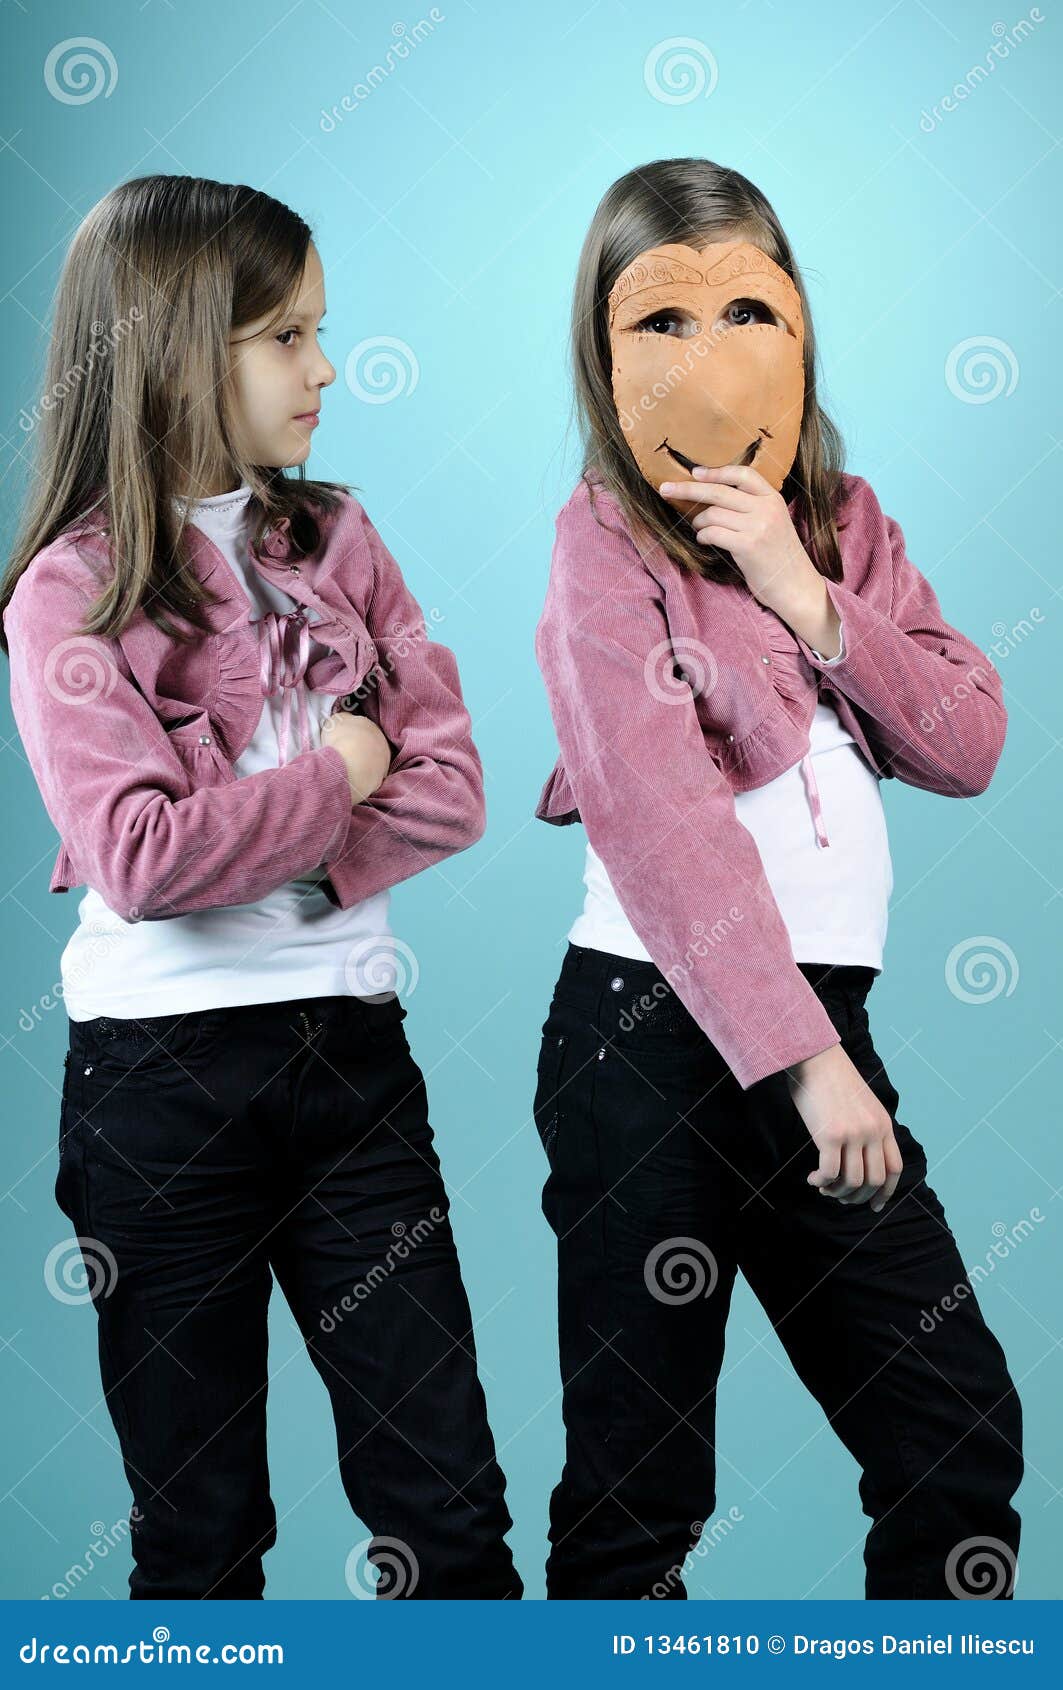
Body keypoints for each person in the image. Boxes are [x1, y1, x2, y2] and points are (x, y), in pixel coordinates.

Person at [1, 174, 522, 1601]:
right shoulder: (70, 588)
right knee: (200, 1534)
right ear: (176, 344)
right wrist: (343, 771)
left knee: (452, 1521)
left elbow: (458, 785)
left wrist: (282, 843)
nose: (326, 368)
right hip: (158, 1089)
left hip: (354, 1071)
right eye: (285, 336)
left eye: (321, 331)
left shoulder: (337, 538)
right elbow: (143, 859)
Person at [531, 156, 1023, 1601]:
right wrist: (805, 1065)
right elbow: (663, 821)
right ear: (606, 352)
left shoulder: (846, 520)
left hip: (825, 1034)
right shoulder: (602, 543)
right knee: (639, 1483)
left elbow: (967, 737)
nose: (711, 355)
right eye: (663, 323)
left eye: (748, 311)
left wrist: (809, 598)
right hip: (652, 1038)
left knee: (953, 1431)